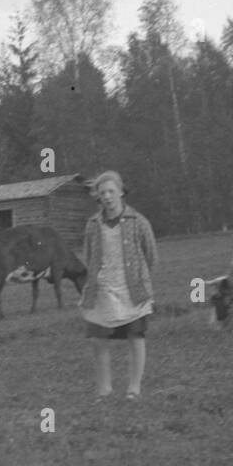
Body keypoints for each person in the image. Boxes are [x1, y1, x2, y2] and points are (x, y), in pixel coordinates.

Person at [80, 171, 157, 399]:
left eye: (111, 191)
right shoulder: (93, 225)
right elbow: (89, 255)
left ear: (121, 192)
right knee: (98, 338)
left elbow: (151, 255)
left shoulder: (138, 222)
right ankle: (104, 389)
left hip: (131, 289)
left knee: (136, 336)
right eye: (102, 193)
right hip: (103, 289)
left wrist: (139, 278)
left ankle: (134, 388)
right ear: (98, 197)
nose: (107, 197)